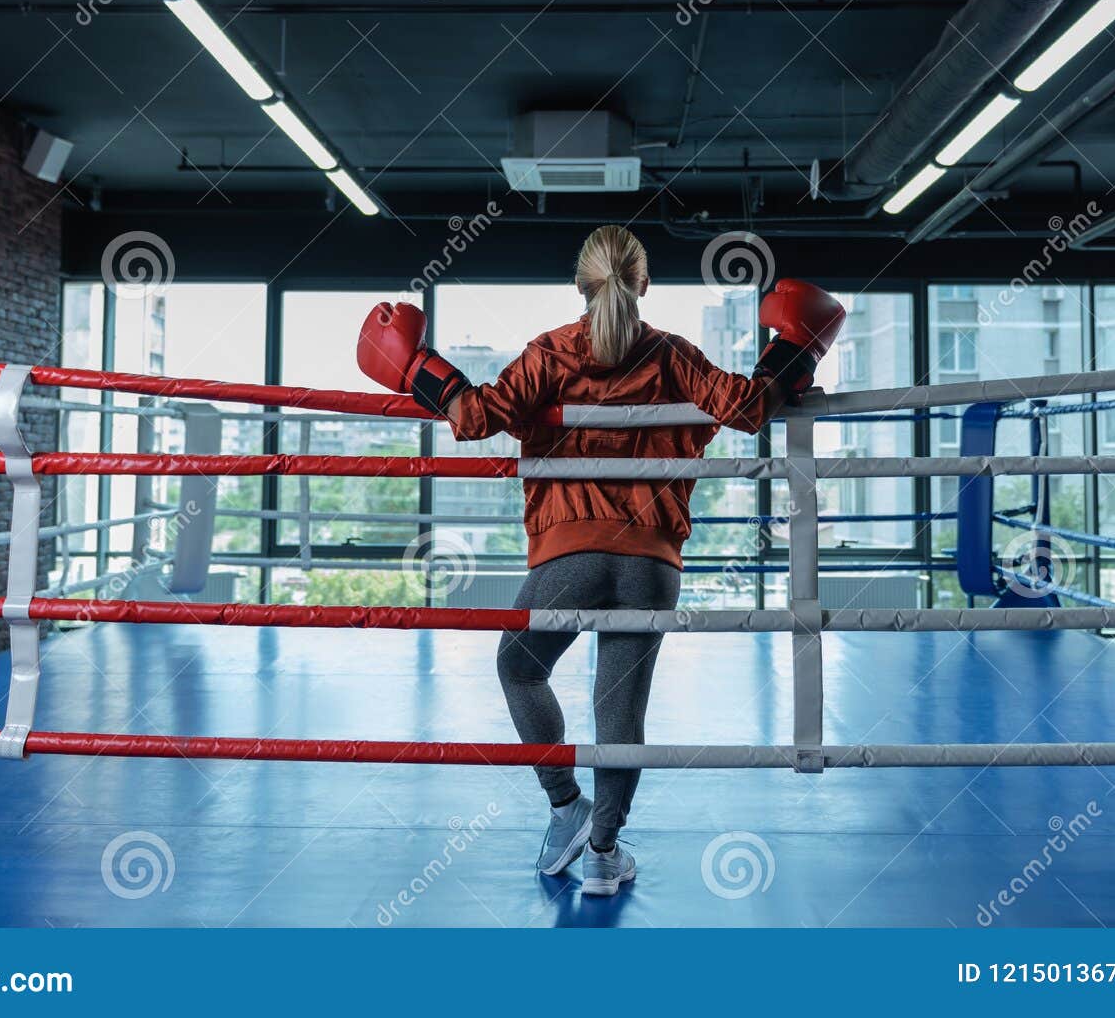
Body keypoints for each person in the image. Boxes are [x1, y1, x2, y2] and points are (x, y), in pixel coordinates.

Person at [357, 226, 844, 896]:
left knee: (519, 668)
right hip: (651, 561)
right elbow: (751, 407)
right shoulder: (674, 354)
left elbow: (472, 416)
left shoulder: (550, 352)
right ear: (642, 284)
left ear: (582, 283)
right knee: (619, 711)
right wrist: (795, 349)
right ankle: (604, 855)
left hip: (570, 552)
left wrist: (417, 367)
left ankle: (566, 810)